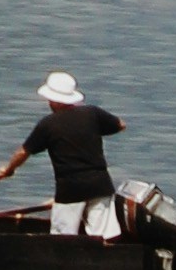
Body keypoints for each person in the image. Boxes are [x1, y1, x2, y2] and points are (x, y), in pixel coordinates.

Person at [18, 66, 125, 237]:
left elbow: (23, 152)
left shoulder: (48, 124)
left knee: (63, 237)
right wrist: (92, 131)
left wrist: (7, 170)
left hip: (70, 190)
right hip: (100, 185)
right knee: (103, 237)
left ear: (54, 101)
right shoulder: (92, 114)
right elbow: (120, 125)